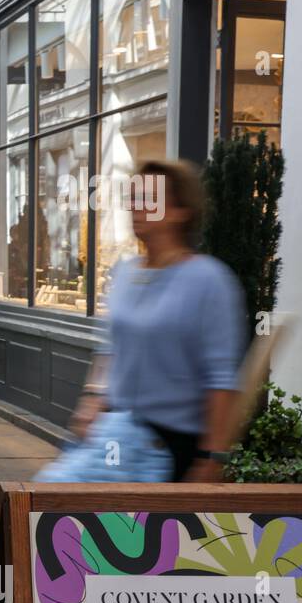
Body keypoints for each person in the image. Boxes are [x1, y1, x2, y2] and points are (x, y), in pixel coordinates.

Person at [36, 159, 244, 483]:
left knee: (63, 510)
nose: (136, 206)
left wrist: (212, 459)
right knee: (52, 508)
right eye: (133, 197)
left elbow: (220, 378)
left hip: (166, 444)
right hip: (114, 432)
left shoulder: (208, 279)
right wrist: (92, 401)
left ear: (180, 210)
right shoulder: (126, 270)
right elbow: (111, 348)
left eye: (149, 197)